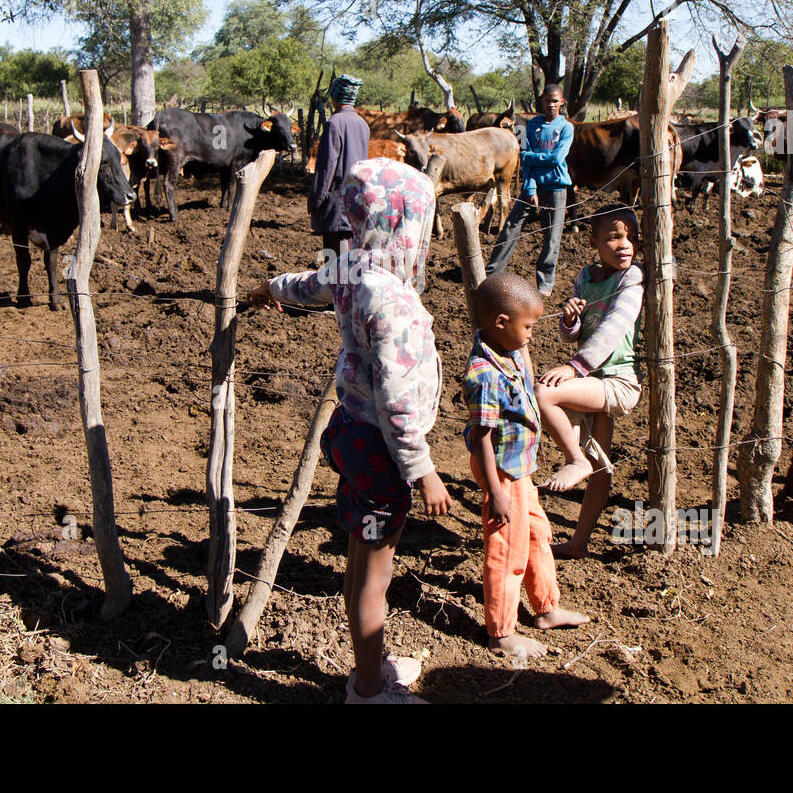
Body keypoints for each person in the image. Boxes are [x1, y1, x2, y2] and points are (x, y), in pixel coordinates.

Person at [248, 157, 451, 704]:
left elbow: (306, 286)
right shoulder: (395, 303)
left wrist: (269, 288)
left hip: (351, 432)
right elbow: (397, 398)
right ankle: (368, 688)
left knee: (361, 558)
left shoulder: (351, 268)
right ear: (406, 223)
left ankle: (371, 659)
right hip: (383, 450)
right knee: (375, 576)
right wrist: (422, 468)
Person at [463, 271, 590, 659]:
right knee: (507, 547)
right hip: (501, 469)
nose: (532, 334)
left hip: (520, 467)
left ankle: (546, 607)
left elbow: (525, 363)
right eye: (529, 326)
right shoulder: (483, 374)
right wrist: (496, 491)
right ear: (501, 323)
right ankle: (500, 631)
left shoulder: (511, 349)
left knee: (537, 533)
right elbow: (482, 436)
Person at [534, 204, 644, 559]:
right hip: (593, 378)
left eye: (630, 237)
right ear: (594, 242)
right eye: (613, 237)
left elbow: (613, 330)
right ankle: (579, 543)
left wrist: (575, 367)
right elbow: (575, 334)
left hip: (617, 382)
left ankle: (573, 458)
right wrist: (571, 321)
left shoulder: (632, 280)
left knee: (543, 393)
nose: (623, 244)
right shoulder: (586, 277)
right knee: (601, 467)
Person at [485, 83, 575, 297]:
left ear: (561, 103)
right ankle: (492, 274)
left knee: (552, 236)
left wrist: (533, 157)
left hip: (555, 187)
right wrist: (532, 188)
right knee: (511, 226)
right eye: (547, 100)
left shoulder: (566, 128)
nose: (551, 104)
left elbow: (556, 158)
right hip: (531, 186)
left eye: (555, 101)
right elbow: (525, 162)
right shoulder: (532, 126)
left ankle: (544, 283)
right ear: (541, 102)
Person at [309, 74, 370, 255]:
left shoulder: (333, 124)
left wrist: (316, 200)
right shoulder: (363, 124)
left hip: (337, 207)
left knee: (336, 267)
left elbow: (326, 168)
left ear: (335, 97)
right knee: (352, 261)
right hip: (357, 203)